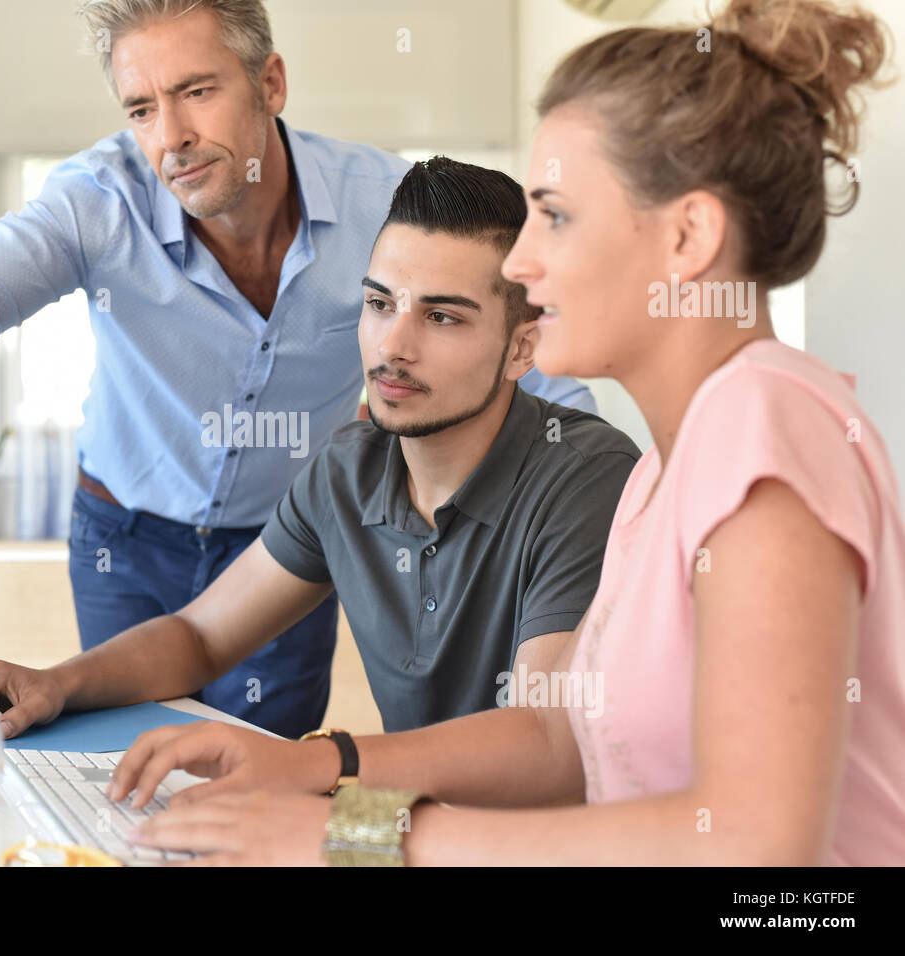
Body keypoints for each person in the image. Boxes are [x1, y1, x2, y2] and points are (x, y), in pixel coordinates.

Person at [111, 0, 905, 866]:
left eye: (555, 217)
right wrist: (326, 782)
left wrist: (352, 835)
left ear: (689, 236)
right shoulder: (669, 473)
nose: (523, 264)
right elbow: (562, 747)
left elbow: (760, 846)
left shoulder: (764, 427)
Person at [0, 0, 594, 738]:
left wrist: (618, 495)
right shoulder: (98, 199)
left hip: (284, 545)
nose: (171, 138)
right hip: (125, 533)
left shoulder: (386, 208)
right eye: (141, 108)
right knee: (120, 754)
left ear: (270, 84)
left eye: (198, 92)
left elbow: (535, 354)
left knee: (259, 759)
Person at [0, 157, 638, 743]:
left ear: (523, 347)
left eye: (442, 317)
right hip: (403, 823)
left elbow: (536, 747)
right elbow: (201, 636)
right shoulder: (346, 472)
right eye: (380, 304)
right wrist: (57, 685)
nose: (392, 347)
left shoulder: (588, 478)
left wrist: (326, 773)